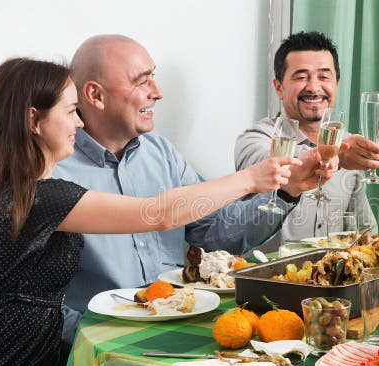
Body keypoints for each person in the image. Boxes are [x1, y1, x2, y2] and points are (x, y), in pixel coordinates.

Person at [0, 59, 299, 366]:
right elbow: (158, 214)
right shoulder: (44, 198)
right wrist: (249, 179)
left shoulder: (4, 192)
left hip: (8, 362)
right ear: (35, 121)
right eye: (70, 112)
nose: (79, 123)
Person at [44, 35, 333, 349]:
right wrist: (88, 340)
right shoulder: (53, 170)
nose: (158, 92)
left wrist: (288, 191)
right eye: (143, 81)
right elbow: (39, 300)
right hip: (101, 345)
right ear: (95, 95)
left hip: (182, 329)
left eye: (153, 77)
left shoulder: (162, 154)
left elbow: (218, 232)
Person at [235, 31, 379, 246]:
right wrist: (336, 155)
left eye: (324, 77)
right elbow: (272, 167)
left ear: (336, 84)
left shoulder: (349, 145)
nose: (314, 87)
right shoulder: (256, 139)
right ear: (279, 87)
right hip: (268, 277)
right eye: (301, 77)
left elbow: (363, 233)